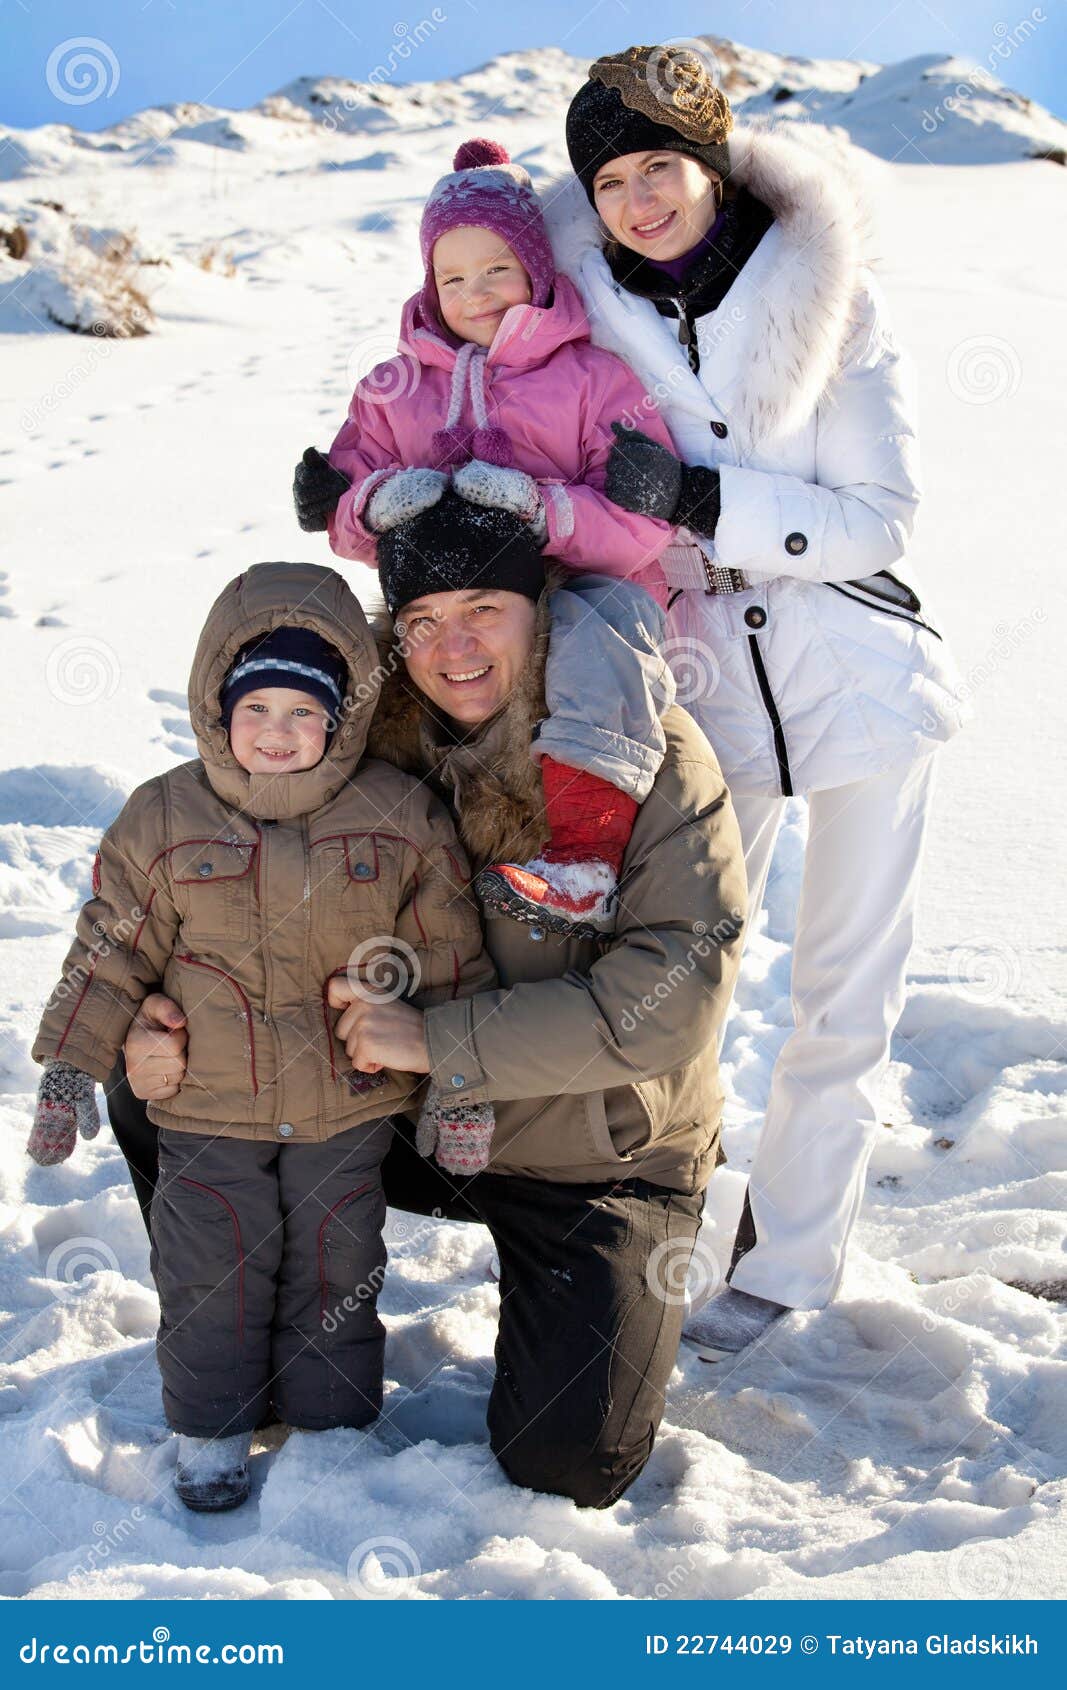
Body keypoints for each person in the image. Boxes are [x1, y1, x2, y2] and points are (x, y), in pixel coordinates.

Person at [114, 500, 749, 1509]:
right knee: (168, 1089)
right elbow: (216, 893)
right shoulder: (357, 743)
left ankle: (679, 1238)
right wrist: (156, 1019)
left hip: (591, 1153)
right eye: (422, 621)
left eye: (483, 610)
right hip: (407, 1118)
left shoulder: (639, 752)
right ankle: (248, 1341)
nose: (453, 648)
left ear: (539, 607)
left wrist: (439, 1038)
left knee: (566, 1464)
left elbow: (671, 999)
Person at [539, 44, 966, 1356]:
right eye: (608, 181)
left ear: (710, 165)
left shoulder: (830, 294)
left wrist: (702, 501)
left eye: (657, 167)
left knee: (841, 988)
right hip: (704, 685)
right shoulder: (583, 313)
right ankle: (682, 1216)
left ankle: (788, 1262)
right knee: (686, 976)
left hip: (860, 678)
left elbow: (877, 516)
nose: (637, 201)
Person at [29, 561, 494, 1513]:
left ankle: (330, 1432)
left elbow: (450, 959)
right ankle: (210, 1433)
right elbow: (110, 951)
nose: (277, 733)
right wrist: (71, 1065)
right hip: (208, 1111)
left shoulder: (397, 814)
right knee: (211, 1272)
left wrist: (461, 1085)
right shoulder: (165, 816)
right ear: (216, 707)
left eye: (303, 712)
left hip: (343, 1108)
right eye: (256, 709)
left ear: (343, 717)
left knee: (337, 1267)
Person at [294, 137, 682, 936]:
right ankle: (330, 845)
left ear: (535, 269)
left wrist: (543, 510)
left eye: (496, 270)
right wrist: (376, 504)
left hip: (581, 599)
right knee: (365, 667)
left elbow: (644, 517)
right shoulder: (393, 387)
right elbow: (341, 507)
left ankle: (583, 862)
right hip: (447, 609)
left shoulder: (591, 377)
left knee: (593, 639)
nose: (475, 294)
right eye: (452, 278)